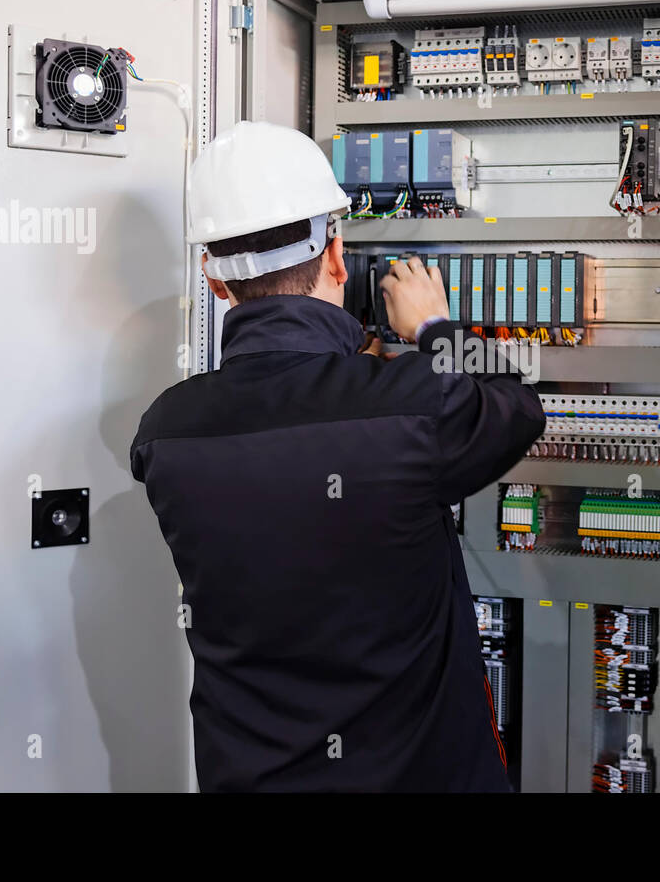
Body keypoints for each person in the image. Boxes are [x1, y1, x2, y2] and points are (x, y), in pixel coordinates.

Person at [130, 121, 546, 791]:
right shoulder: (412, 408)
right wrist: (434, 329)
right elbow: (518, 402)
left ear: (213, 281)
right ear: (336, 257)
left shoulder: (165, 434)